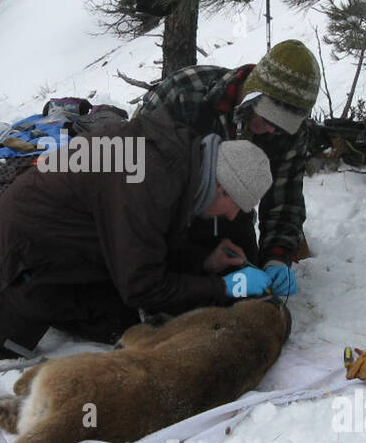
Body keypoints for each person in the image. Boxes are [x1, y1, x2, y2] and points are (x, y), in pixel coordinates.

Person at [0, 108, 276, 359]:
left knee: (120, 324)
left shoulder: (184, 165)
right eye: (236, 206)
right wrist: (223, 288)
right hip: (23, 246)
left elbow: (152, 242)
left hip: (80, 250)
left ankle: (51, 304)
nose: (232, 216)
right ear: (222, 187)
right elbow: (144, 286)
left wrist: (204, 261)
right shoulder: (151, 181)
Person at [135, 39, 320, 297]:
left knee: (249, 298)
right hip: (168, 221)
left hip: (233, 220)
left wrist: (276, 257)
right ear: (252, 96)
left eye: (283, 125)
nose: (273, 130)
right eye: (269, 118)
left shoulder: (290, 133)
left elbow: (284, 199)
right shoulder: (185, 92)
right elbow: (134, 177)